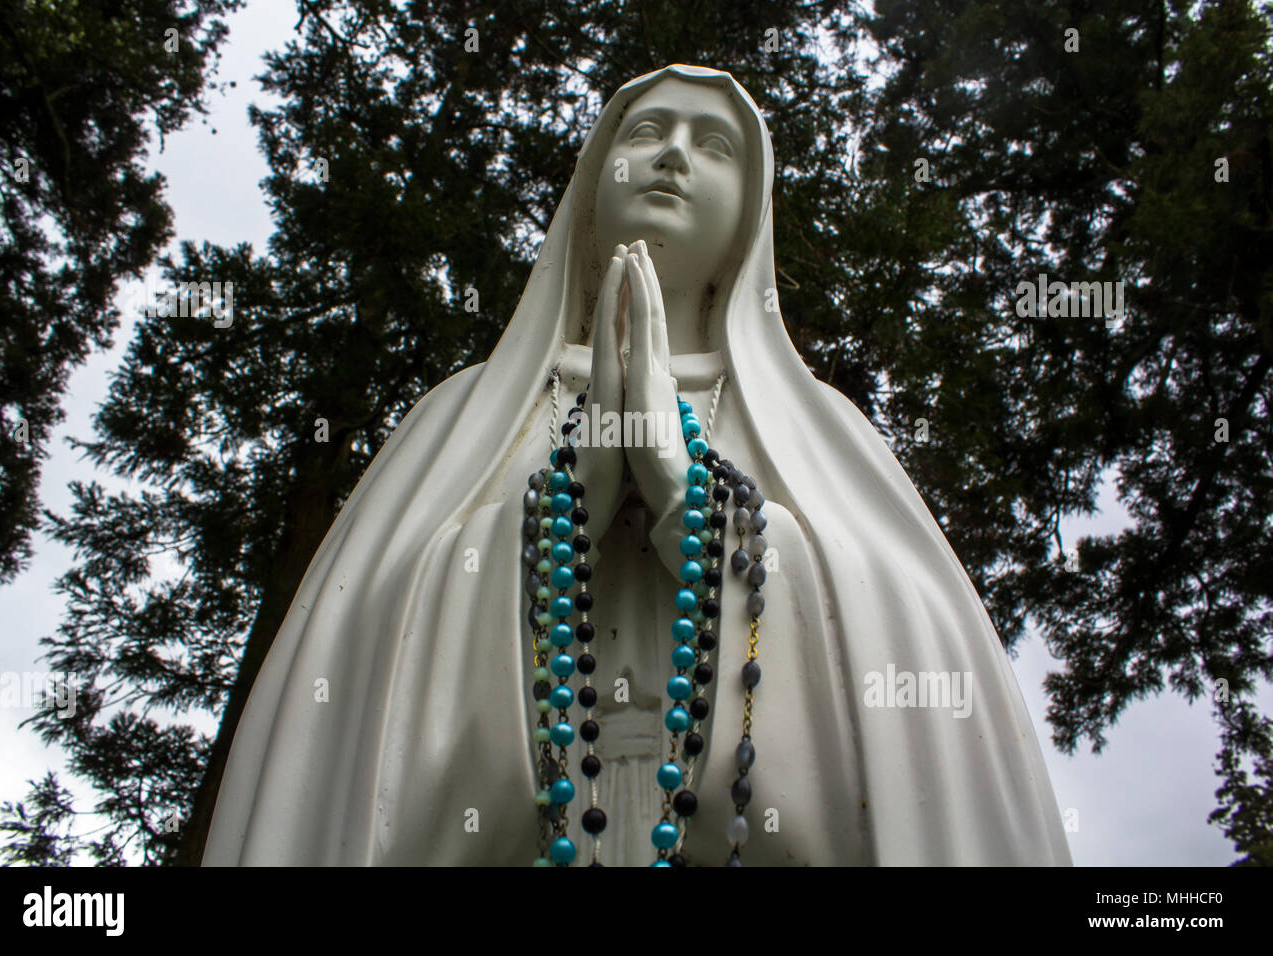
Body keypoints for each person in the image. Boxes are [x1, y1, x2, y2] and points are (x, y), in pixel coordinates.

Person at [203, 64, 1072, 866]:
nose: (675, 157)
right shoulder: (468, 412)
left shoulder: (819, 427)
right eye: (647, 131)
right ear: (593, 184)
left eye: (715, 144)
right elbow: (363, 655)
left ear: (749, 211)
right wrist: (562, 502)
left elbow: (914, 664)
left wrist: (693, 502)